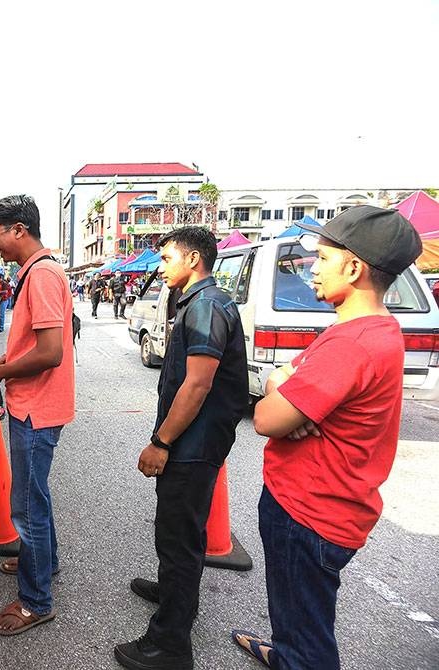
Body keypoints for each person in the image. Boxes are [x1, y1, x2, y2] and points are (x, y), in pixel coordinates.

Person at [230, 207, 422, 670]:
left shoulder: (351, 344)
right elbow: (284, 382)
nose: (311, 268)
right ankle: (285, 648)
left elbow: (266, 418)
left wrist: (281, 392)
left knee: (308, 639)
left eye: (322, 258)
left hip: (309, 512)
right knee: (297, 614)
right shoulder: (371, 329)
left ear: (354, 268)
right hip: (324, 503)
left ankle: (293, 655)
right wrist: (282, 383)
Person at [114, 226, 248, 670]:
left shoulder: (206, 304)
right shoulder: (196, 300)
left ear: (193, 260)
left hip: (192, 444)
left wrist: (160, 442)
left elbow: (198, 383)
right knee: (174, 529)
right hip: (192, 441)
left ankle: (170, 644)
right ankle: (173, 592)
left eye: (168, 257)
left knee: (179, 537)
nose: (161, 264)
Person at [0, 195, 75, 637]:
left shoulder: (42, 273)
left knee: (27, 508)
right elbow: (38, 344)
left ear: (20, 229)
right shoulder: (38, 272)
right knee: (36, 494)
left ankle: (36, 601)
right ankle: (45, 561)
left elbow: (52, 352)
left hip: (36, 407)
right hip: (33, 402)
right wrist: (10, 358)